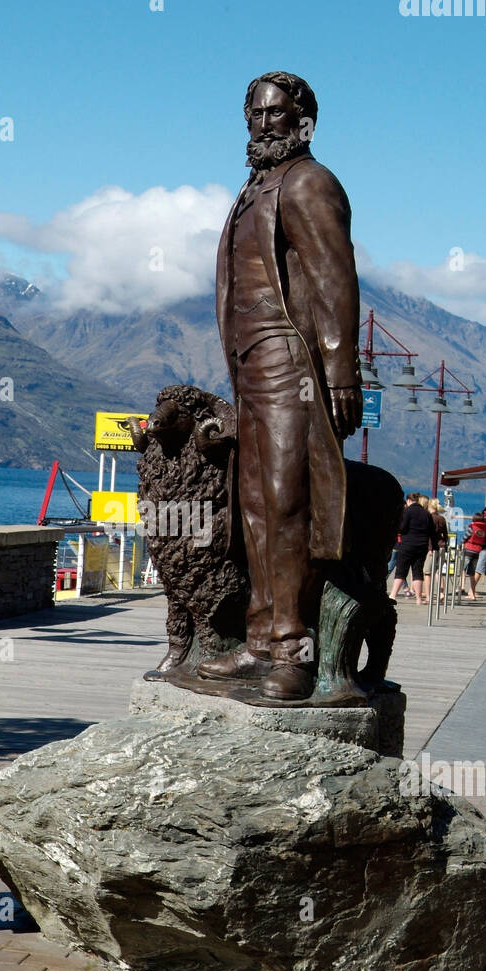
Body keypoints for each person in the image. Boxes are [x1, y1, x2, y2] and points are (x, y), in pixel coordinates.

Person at [198, 71, 363, 699]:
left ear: (303, 121)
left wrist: (340, 364)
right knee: (256, 507)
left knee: (287, 497)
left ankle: (294, 651)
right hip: (249, 365)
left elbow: (334, 277)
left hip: (291, 361)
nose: (263, 125)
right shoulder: (251, 192)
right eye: (255, 115)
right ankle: (261, 640)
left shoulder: (308, 183)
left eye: (275, 114)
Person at [389, 493, 438, 604]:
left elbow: (401, 528)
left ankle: (393, 595)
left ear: (409, 501)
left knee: (401, 570)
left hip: (407, 544)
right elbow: (432, 532)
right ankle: (419, 598)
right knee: (417, 571)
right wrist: (433, 547)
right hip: (421, 546)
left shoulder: (407, 511)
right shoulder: (426, 514)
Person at [462, 509, 486, 600]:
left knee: (462, 569)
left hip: (468, 550)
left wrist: (461, 543)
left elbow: (465, 537)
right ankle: (472, 593)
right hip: (477, 551)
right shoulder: (484, 529)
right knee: (472, 573)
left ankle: (460, 588)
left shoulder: (472, 527)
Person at [422, 498, 449, 603]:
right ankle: (441, 593)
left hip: (432, 548)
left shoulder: (429, 518)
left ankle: (428, 596)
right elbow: (446, 535)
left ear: (430, 507)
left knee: (427, 572)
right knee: (438, 571)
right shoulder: (442, 519)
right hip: (442, 547)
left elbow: (429, 536)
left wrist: (429, 548)